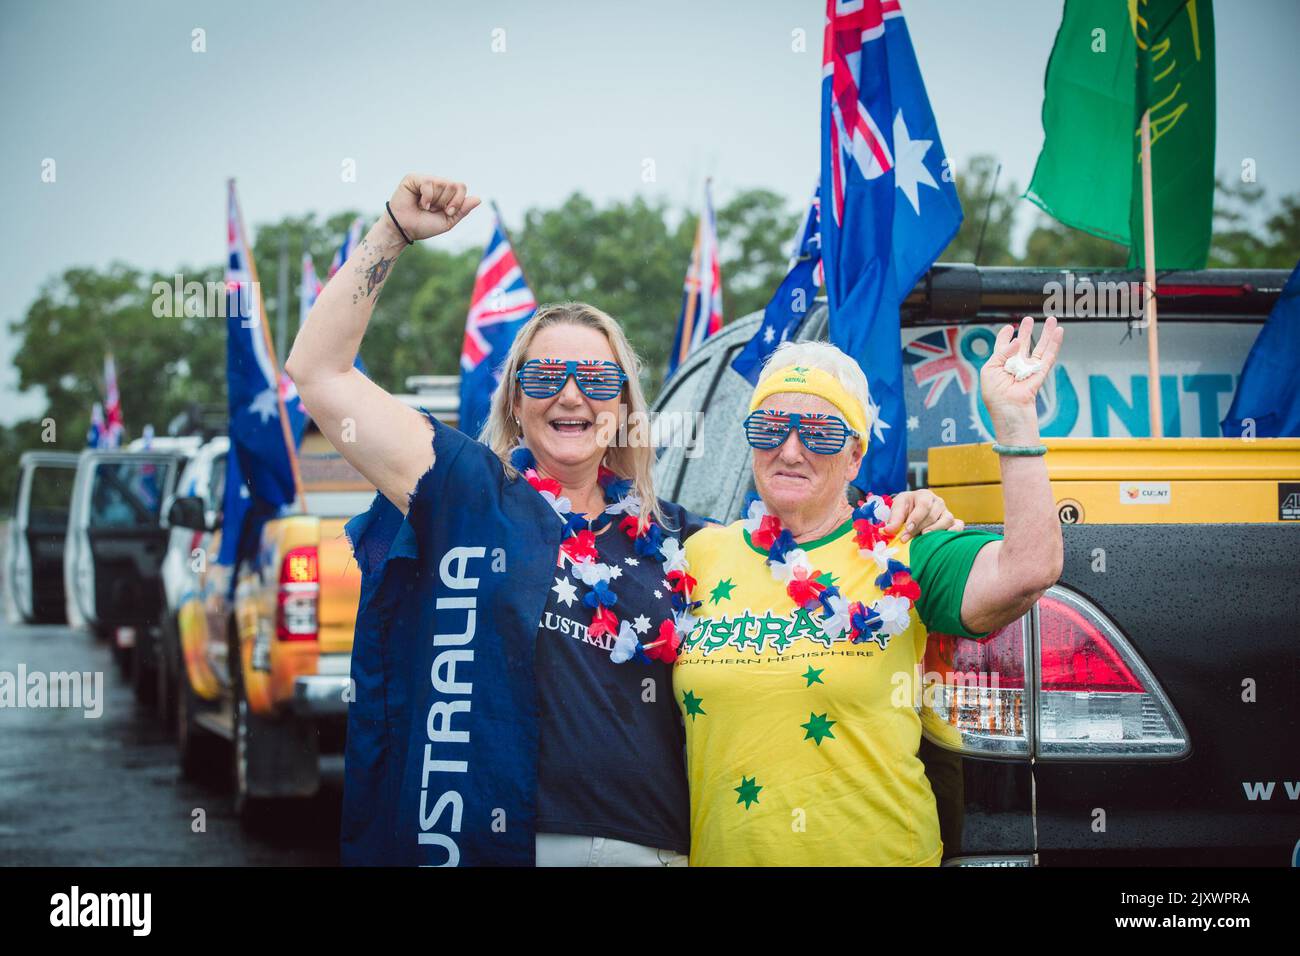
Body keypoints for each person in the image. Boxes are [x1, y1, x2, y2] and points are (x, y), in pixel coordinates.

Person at [285, 173, 963, 866]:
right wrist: (392, 234)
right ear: (517, 402)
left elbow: (821, 555)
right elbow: (319, 374)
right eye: (546, 379)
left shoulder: (688, 542)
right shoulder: (466, 496)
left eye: (597, 381)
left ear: (623, 410)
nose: (571, 396)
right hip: (504, 841)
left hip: (655, 849)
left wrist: (907, 515)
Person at [674, 328, 1065, 866]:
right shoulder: (701, 554)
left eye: (819, 433)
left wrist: (1016, 421)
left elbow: (1029, 568)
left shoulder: (905, 546)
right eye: (770, 428)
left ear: (855, 456)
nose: (791, 449)